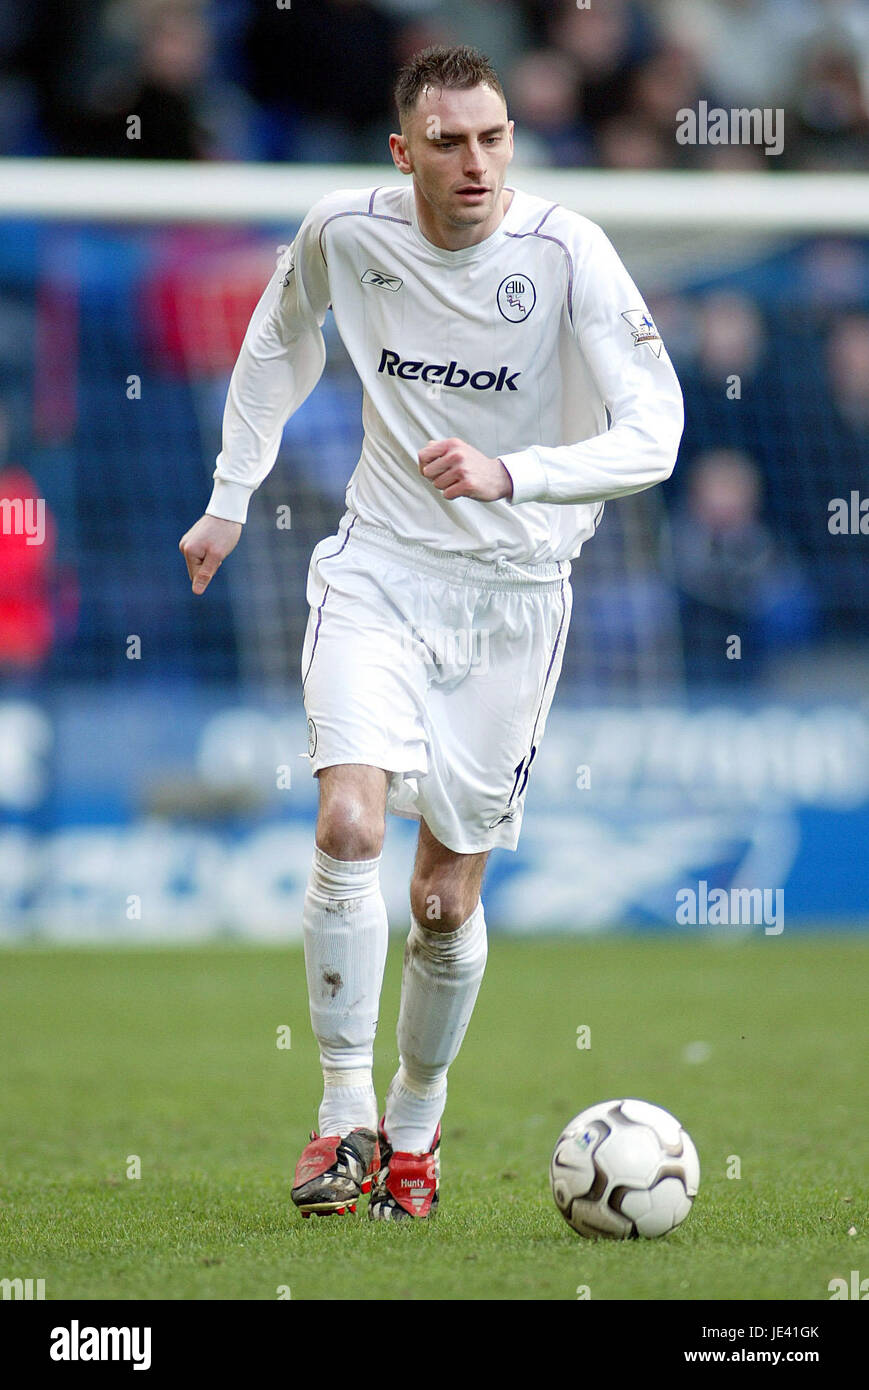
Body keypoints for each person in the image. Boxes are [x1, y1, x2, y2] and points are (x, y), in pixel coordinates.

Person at [179, 44, 683, 1221]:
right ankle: (340, 1116)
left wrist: (514, 472)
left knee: (444, 902)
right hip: (381, 572)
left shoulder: (566, 254)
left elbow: (654, 431)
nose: (476, 162)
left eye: (494, 137)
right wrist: (228, 494)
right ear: (402, 152)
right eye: (449, 142)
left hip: (514, 600)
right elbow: (277, 338)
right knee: (348, 819)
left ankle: (415, 1117)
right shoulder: (345, 233)